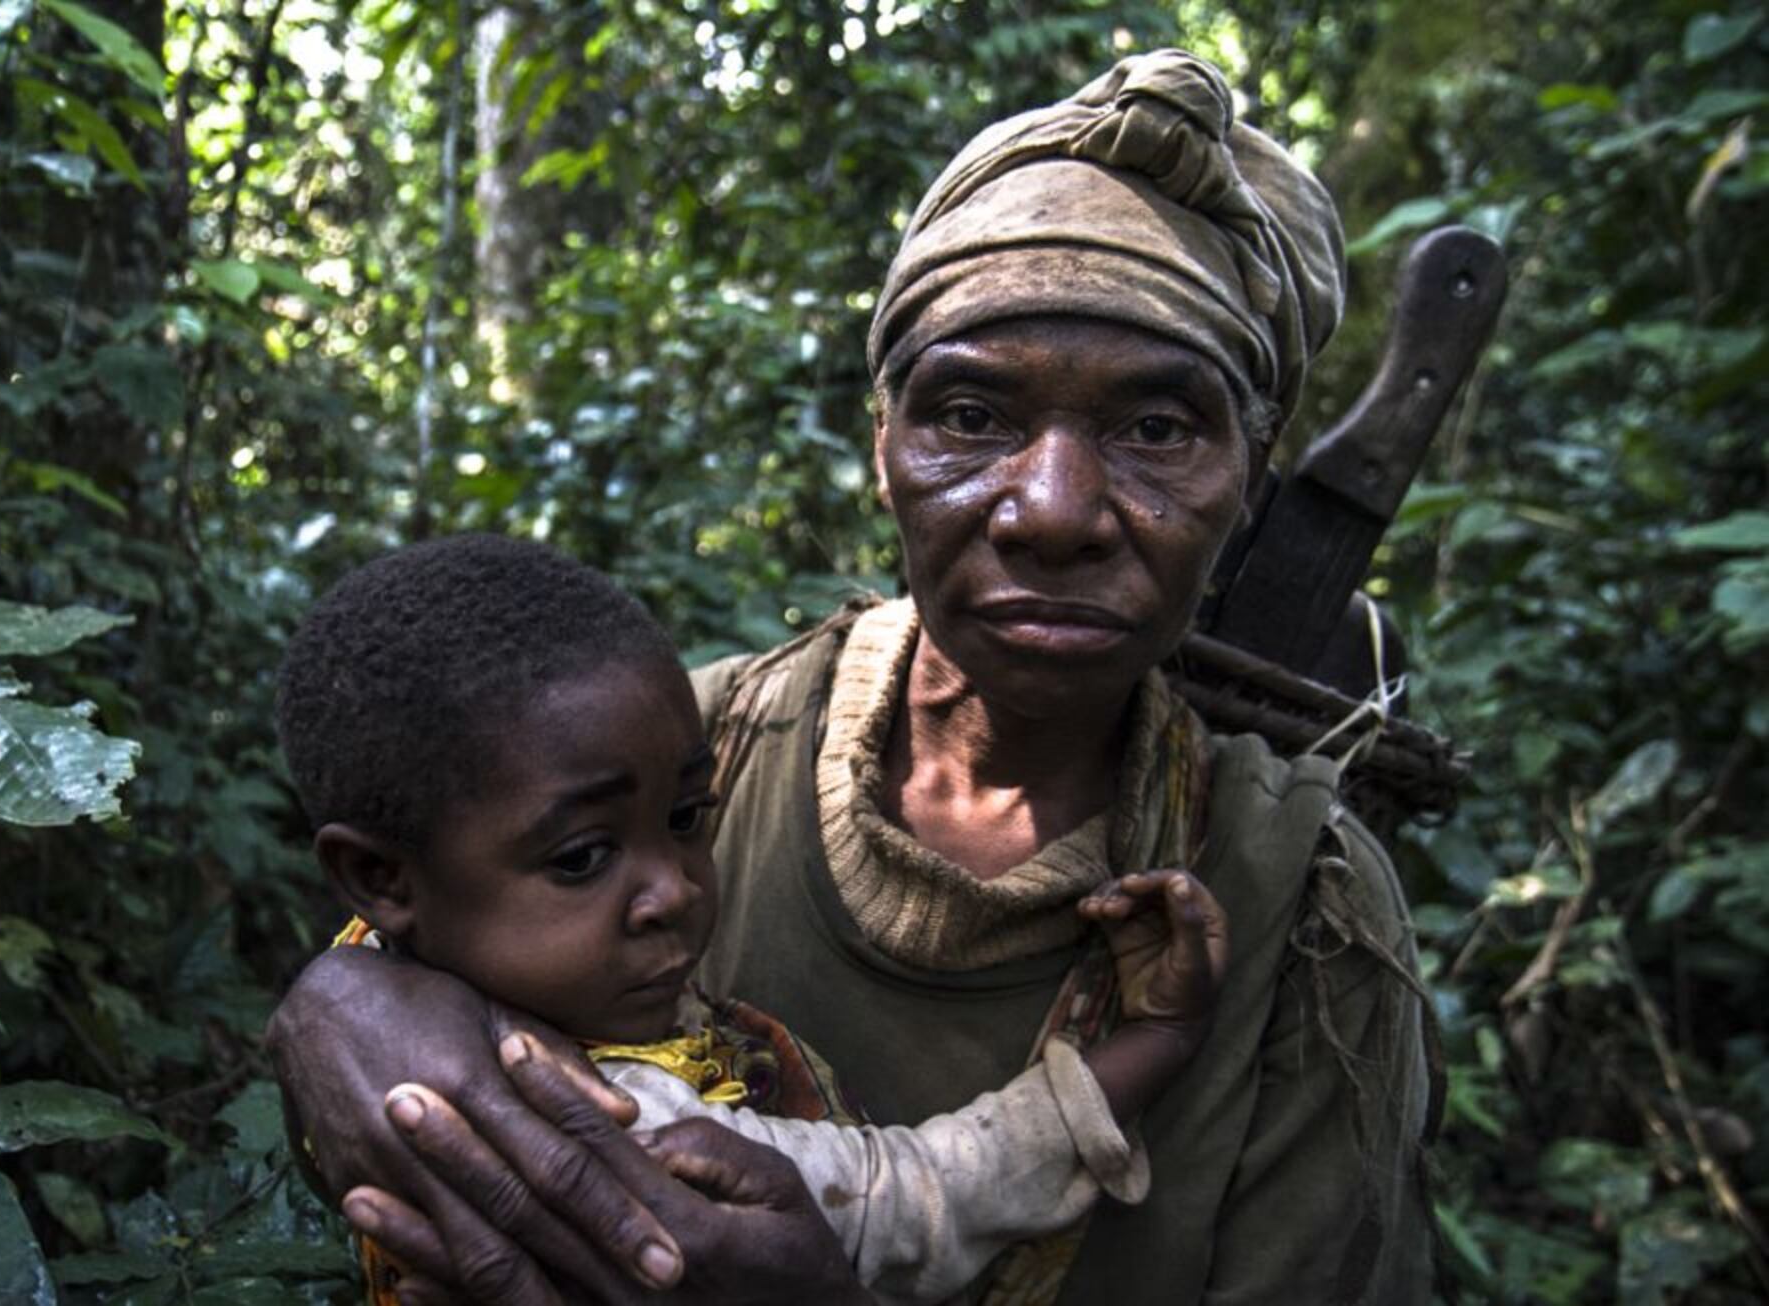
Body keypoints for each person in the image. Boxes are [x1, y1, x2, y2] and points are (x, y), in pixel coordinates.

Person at [268, 44, 1437, 1306]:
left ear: (1246, 480)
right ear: (883, 449)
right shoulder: (685, 754)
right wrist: (337, 1001)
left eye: (1157, 428)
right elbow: (411, 917)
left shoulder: (1298, 909)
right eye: (971, 416)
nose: (1053, 511)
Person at [276, 531, 1231, 1305]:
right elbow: (921, 1198)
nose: (674, 890)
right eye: (581, 859)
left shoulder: (397, 1041)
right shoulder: (624, 1128)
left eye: (686, 818)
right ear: (380, 878)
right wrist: (1153, 1041)